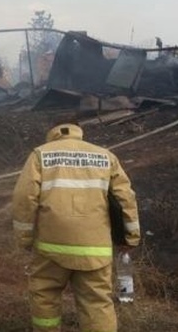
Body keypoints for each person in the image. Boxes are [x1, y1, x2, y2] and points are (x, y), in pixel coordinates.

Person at [11, 117, 141, 332]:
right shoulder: (105, 156)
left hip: (50, 248)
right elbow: (125, 198)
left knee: (45, 296)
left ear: (52, 130)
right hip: (95, 249)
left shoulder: (40, 155)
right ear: (79, 130)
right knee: (98, 303)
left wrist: (24, 239)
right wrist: (131, 237)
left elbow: (24, 198)